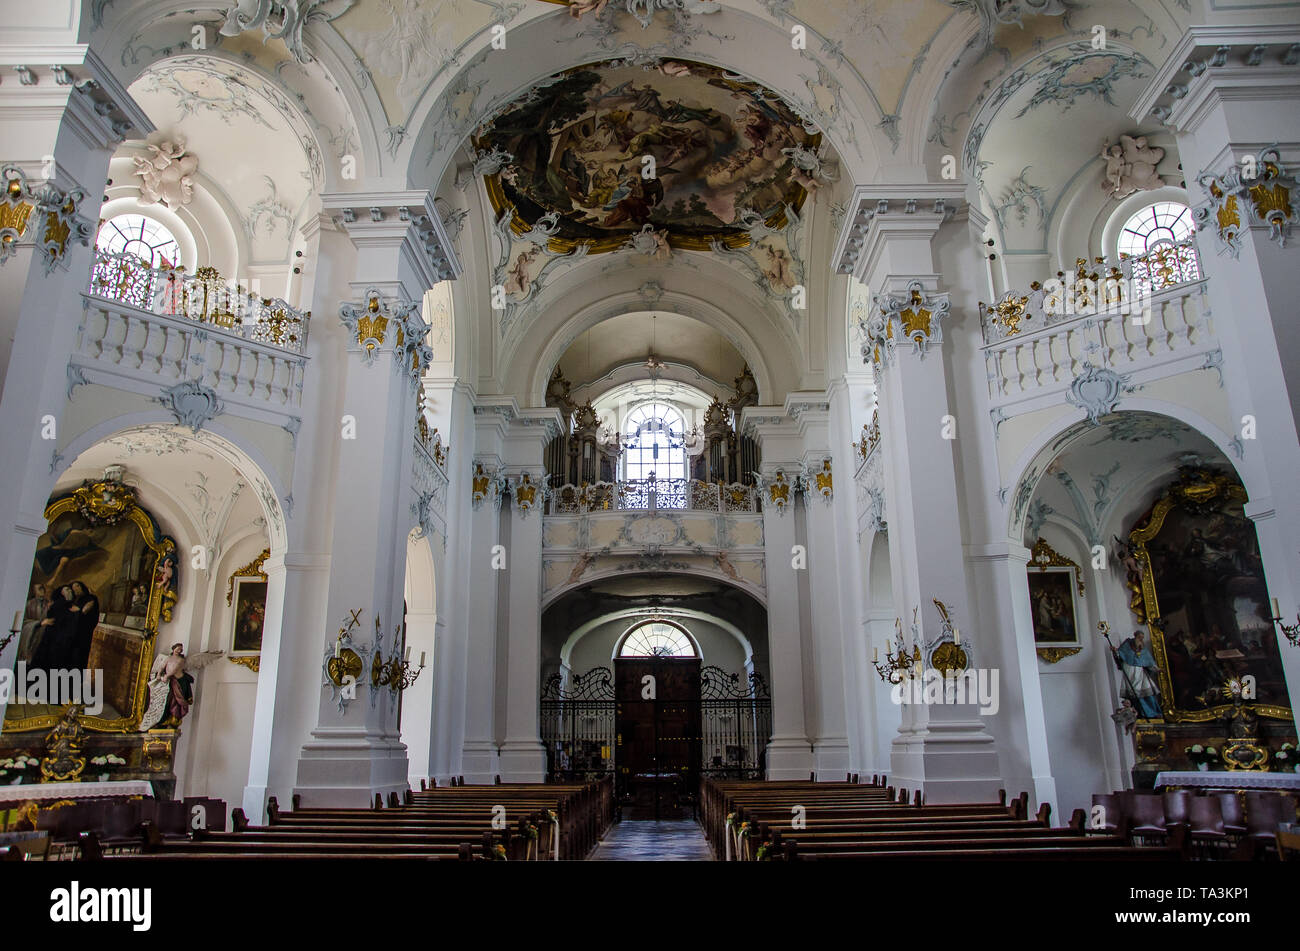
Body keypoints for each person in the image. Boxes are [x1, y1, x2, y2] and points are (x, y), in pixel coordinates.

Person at [1110, 629, 1162, 718]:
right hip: (1129, 670)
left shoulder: (1143, 648)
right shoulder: (1127, 645)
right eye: (1139, 637)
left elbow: (1148, 661)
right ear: (1135, 636)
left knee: (1147, 692)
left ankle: (1150, 713)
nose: (1141, 640)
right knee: (1133, 693)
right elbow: (1120, 654)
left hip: (1140, 673)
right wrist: (1115, 652)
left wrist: (1156, 669)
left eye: (1142, 638)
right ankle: (1140, 712)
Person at [28, 585, 76, 672]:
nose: (70, 591)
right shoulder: (60, 604)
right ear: (61, 592)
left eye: (70, 590)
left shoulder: (66, 605)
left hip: (60, 640)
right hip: (54, 640)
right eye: (67, 589)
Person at [67, 580, 99, 669]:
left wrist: (78, 611)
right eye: (73, 587)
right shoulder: (74, 600)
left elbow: (85, 611)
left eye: (77, 586)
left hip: (84, 633)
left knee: (79, 658)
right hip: (72, 633)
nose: (75, 589)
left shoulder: (90, 598)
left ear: (82, 587)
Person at [18, 582, 48, 659]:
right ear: (34, 591)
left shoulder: (48, 604)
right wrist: (38, 623)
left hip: (43, 636)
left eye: (43, 588)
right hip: (31, 634)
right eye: (39, 588)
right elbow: (23, 621)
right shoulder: (28, 604)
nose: (42, 590)